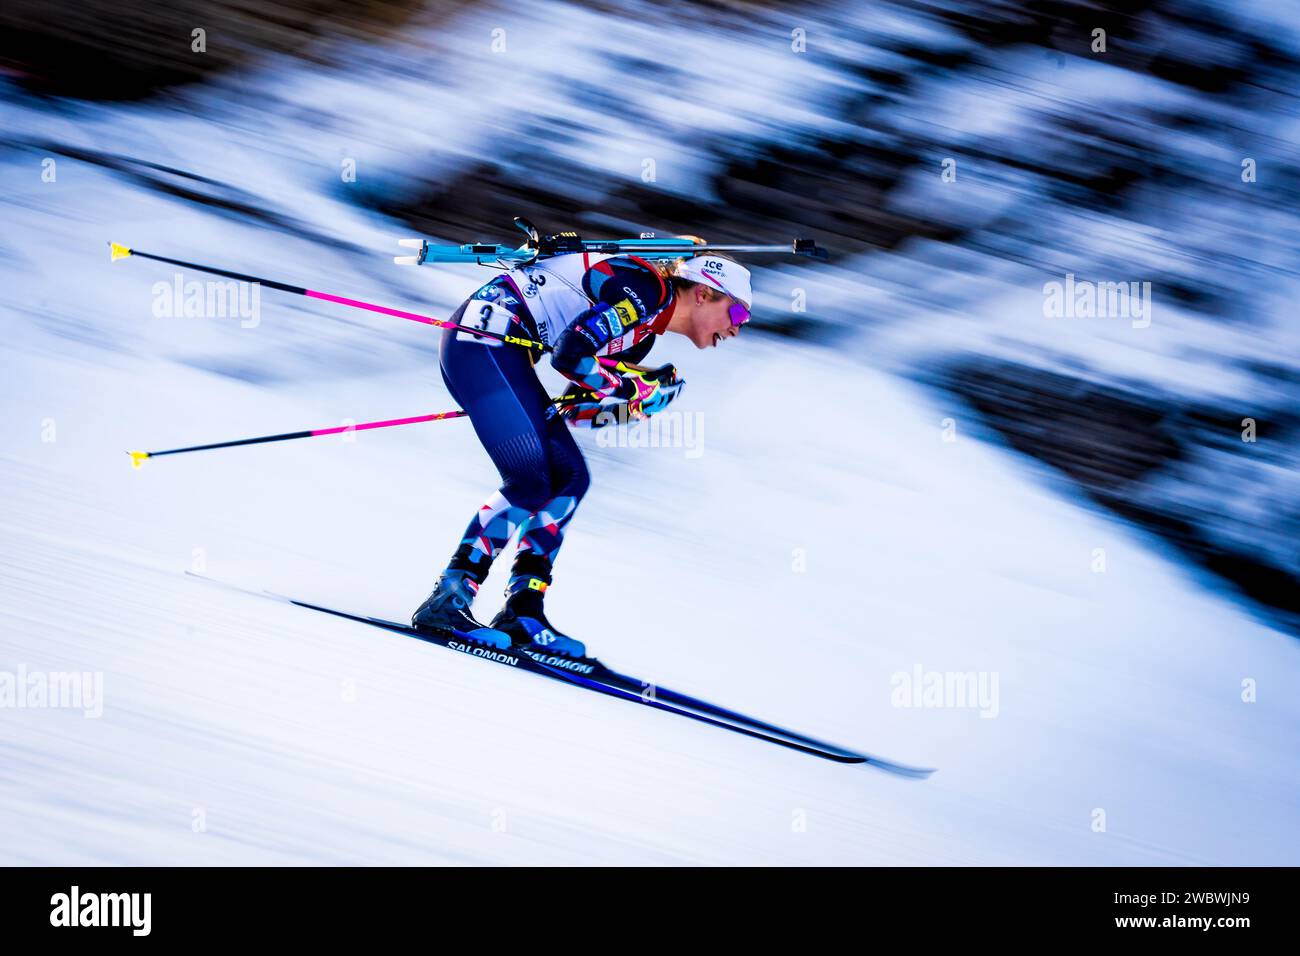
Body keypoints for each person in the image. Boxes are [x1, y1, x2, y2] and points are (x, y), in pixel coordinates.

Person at [411, 242, 753, 658]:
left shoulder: (642, 335)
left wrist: (633, 408)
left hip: (501, 350)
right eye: (738, 314)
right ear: (703, 293)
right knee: (530, 480)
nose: (736, 329)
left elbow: (575, 410)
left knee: (570, 479)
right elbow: (570, 356)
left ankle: (522, 612)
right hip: (484, 340)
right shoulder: (646, 290)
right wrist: (630, 388)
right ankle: (449, 599)